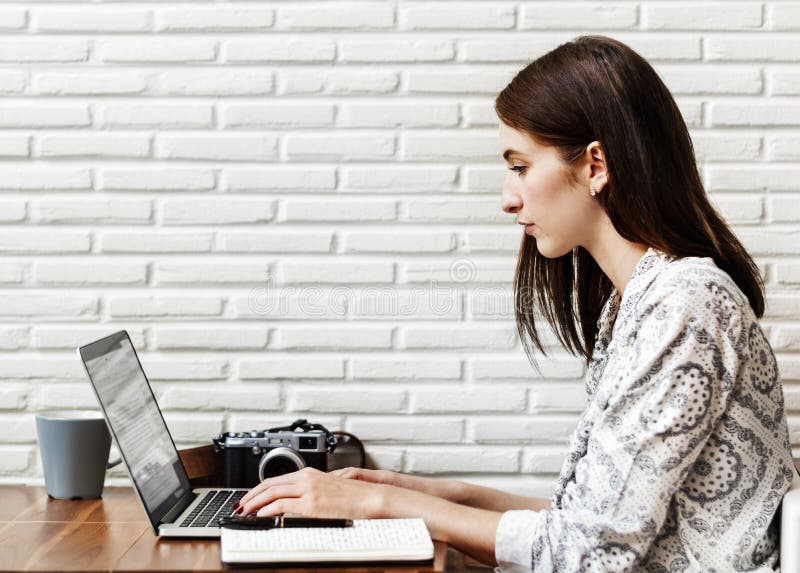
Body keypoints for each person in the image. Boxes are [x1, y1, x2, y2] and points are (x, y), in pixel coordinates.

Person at [236, 35, 795, 572]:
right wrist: (416, 492)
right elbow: (584, 527)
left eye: (521, 166)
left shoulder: (685, 307)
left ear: (595, 165)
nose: (508, 198)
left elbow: (585, 556)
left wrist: (381, 508)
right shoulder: (636, 303)